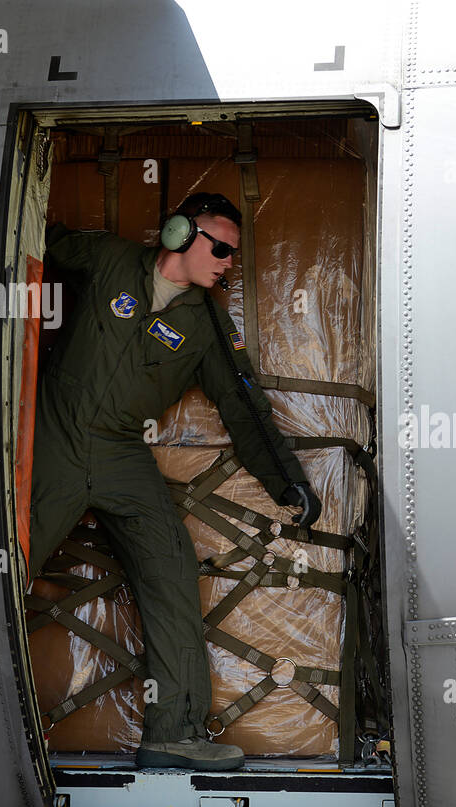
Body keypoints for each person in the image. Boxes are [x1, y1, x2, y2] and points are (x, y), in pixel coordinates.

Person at [27, 192, 321, 771]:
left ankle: (176, 732)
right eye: (221, 248)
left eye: (235, 255)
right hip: (55, 437)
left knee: (170, 563)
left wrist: (286, 482)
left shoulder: (206, 324)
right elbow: (35, 243)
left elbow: (242, 405)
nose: (228, 263)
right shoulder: (110, 260)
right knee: (11, 561)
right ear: (180, 233)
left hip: (119, 450)